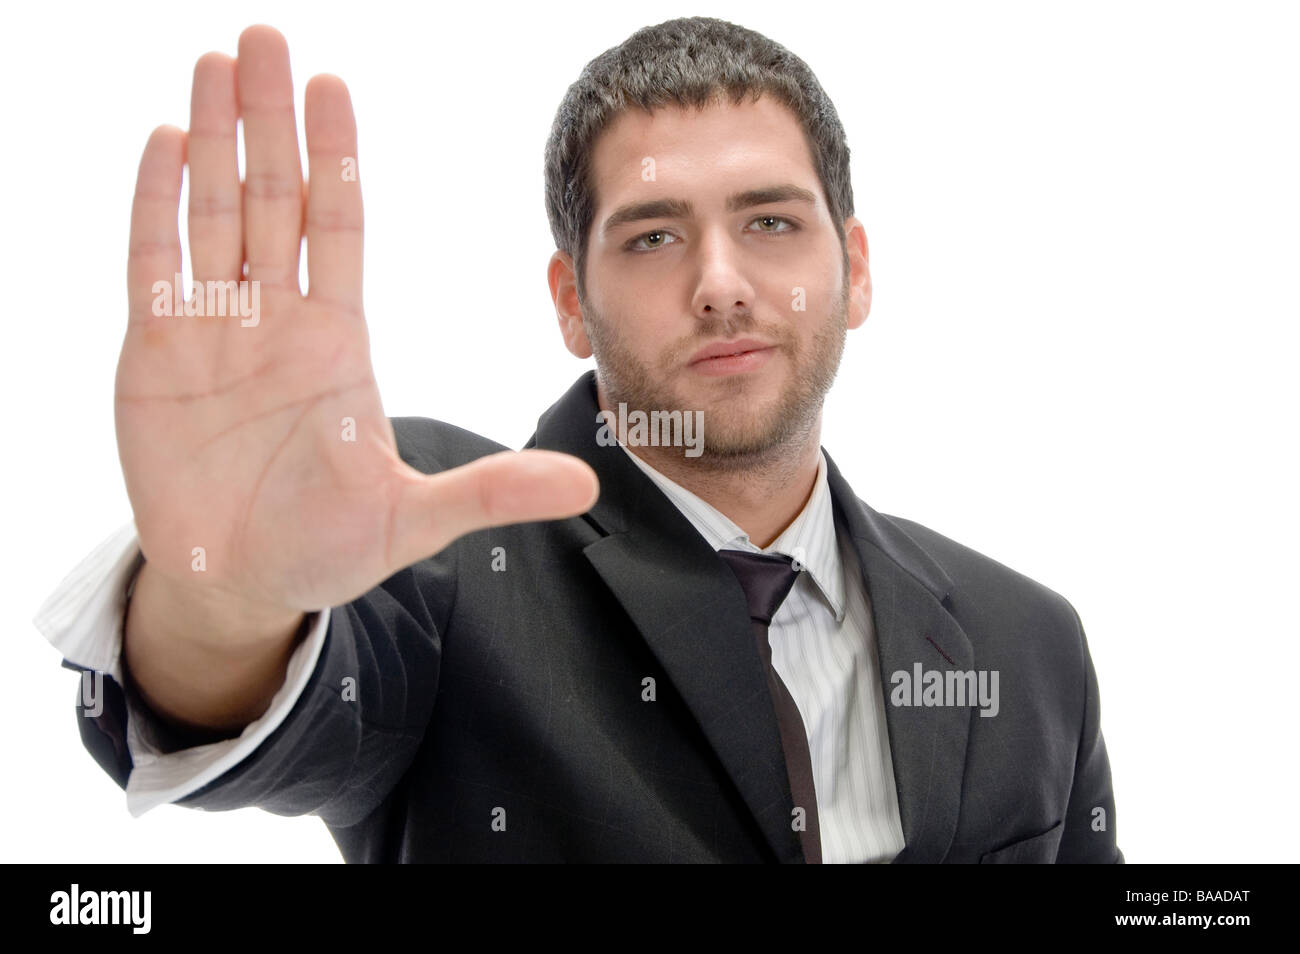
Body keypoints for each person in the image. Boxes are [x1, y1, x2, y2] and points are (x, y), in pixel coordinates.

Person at [35, 17, 1122, 863]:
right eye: (653, 237)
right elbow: (262, 706)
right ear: (569, 300)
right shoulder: (432, 532)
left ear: (857, 268)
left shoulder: (1024, 642)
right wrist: (227, 597)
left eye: (771, 222)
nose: (720, 285)